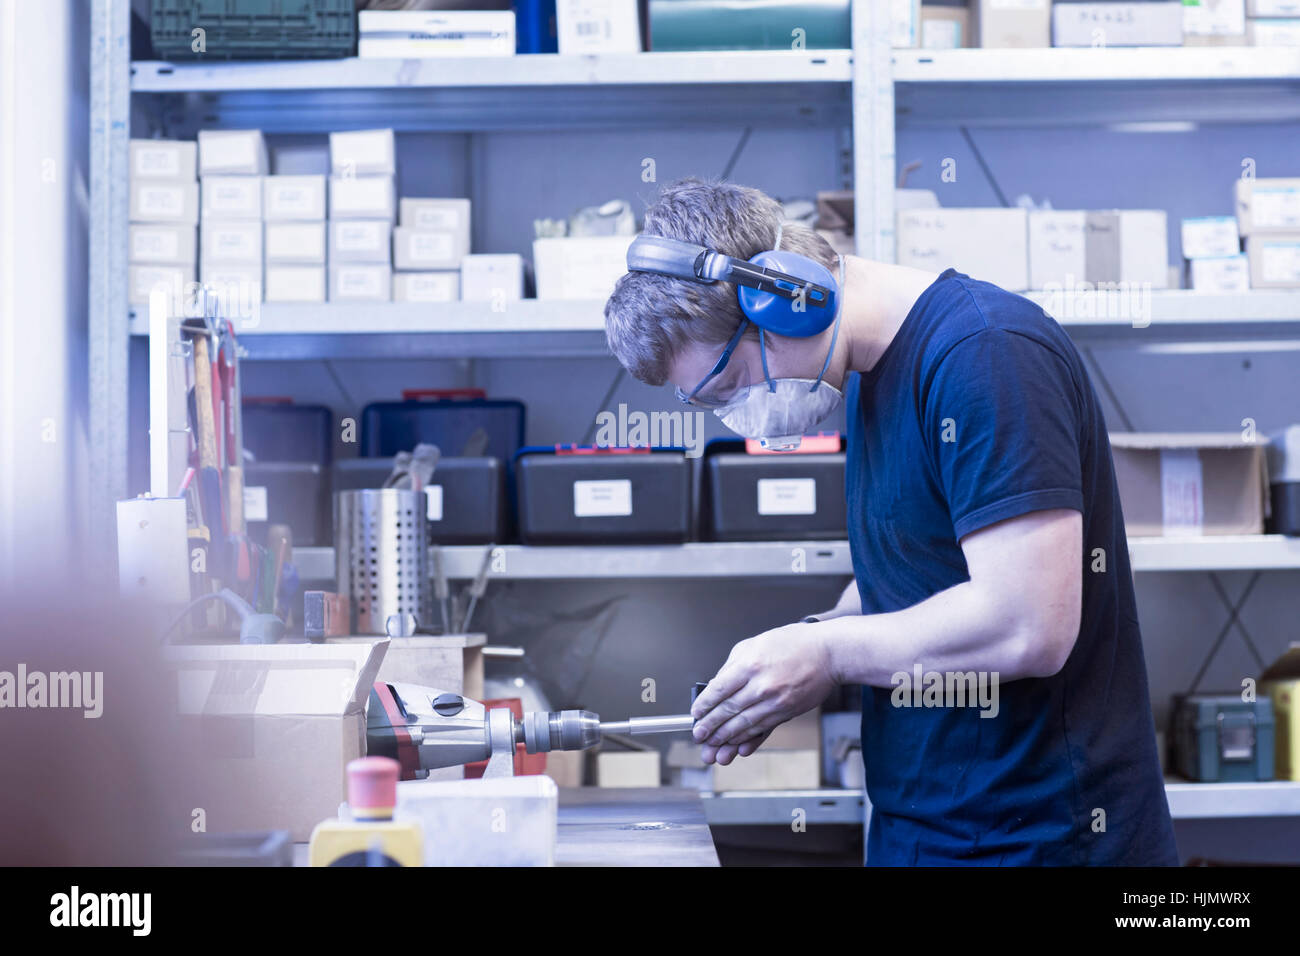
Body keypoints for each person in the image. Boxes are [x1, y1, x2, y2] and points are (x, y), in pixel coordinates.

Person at [603, 178, 1178, 865]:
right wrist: (805, 646)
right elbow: (905, 578)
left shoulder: (987, 355)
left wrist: (830, 655)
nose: (737, 414)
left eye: (725, 389)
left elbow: (1029, 624)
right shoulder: (867, 379)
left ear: (786, 300)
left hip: (1042, 839)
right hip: (926, 829)